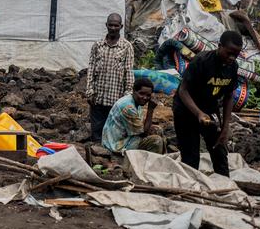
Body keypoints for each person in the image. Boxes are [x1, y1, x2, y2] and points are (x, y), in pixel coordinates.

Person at [173, 30, 242, 176]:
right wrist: (198, 113)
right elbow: (183, 91)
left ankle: (224, 184)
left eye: (236, 55)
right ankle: (190, 185)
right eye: (229, 53)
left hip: (209, 108)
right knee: (191, 156)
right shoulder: (201, 61)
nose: (232, 57)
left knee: (219, 149)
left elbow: (229, 96)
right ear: (219, 46)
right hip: (186, 109)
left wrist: (225, 127)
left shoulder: (232, 66)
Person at [85, 13, 135, 142]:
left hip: (116, 98)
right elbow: (91, 68)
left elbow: (128, 71)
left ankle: (109, 150)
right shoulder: (98, 45)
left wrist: (127, 95)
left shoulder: (126, 46)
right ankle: (95, 150)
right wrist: (89, 91)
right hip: (98, 97)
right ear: (106, 25)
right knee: (96, 130)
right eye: (110, 25)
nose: (113, 28)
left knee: (113, 131)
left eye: (116, 25)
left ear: (121, 26)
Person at [102, 78, 165, 155]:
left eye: (148, 95)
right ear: (134, 91)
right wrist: (150, 110)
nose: (145, 97)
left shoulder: (136, 102)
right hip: (116, 144)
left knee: (158, 130)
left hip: (128, 137)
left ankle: (160, 157)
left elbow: (141, 126)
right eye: (141, 93)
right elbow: (143, 133)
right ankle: (149, 162)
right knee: (156, 140)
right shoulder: (128, 107)